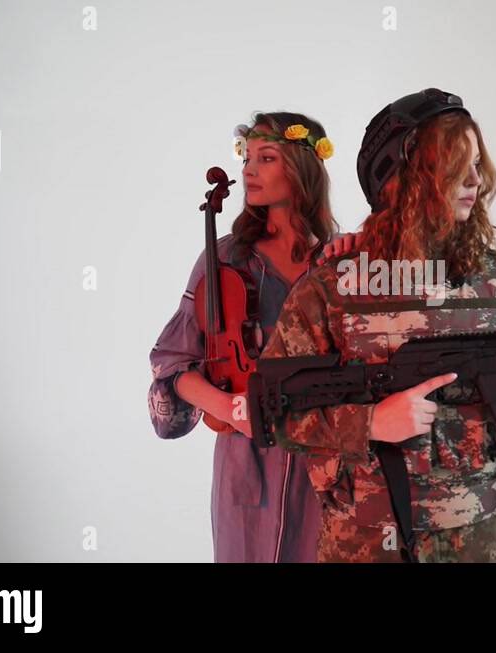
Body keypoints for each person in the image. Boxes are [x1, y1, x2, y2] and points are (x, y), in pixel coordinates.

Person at [259, 89, 496, 562]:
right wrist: (370, 422)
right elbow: (272, 412)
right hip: (368, 543)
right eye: (457, 165)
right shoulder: (334, 288)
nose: (476, 180)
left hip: (482, 538)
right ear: (406, 177)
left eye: (478, 163)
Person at [147, 111, 346, 562]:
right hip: (246, 462)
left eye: (266, 158)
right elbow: (174, 364)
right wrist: (228, 410)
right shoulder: (225, 259)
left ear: (302, 169)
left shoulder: (337, 261)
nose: (248, 171)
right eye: (247, 158)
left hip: (325, 460)